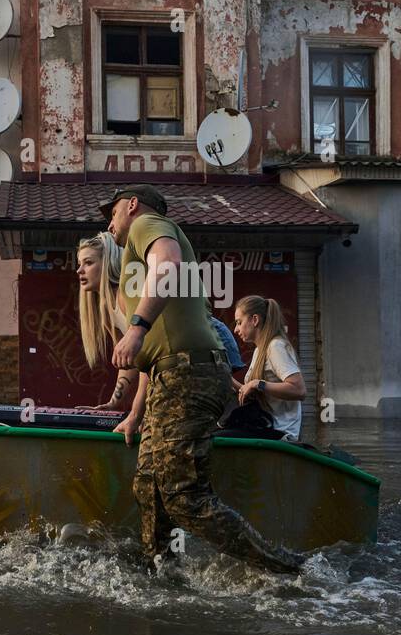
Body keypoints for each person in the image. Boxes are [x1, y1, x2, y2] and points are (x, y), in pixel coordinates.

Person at [103, 184, 304, 574]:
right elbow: (160, 352)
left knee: (182, 495)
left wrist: (137, 327)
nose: (110, 223)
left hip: (189, 375)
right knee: (149, 484)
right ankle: (161, 570)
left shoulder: (148, 223)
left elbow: (168, 264)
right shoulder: (135, 262)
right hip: (171, 375)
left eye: (112, 213)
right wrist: (135, 413)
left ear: (131, 205)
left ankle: (285, 570)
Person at [75, 232, 146, 425]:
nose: (79, 270)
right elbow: (129, 362)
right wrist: (113, 403)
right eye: (79, 264)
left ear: (109, 263)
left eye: (88, 263)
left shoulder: (126, 296)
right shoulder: (107, 309)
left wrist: (136, 412)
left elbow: (150, 357)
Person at [233, 295, 306, 442]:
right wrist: (227, 379)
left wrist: (257, 383)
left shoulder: (276, 346)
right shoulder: (259, 350)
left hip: (280, 432)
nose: (236, 329)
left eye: (239, 322)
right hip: (265, 425)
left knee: (219, 438)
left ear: (254, 320)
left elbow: (299, 390)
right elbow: (255, 394)